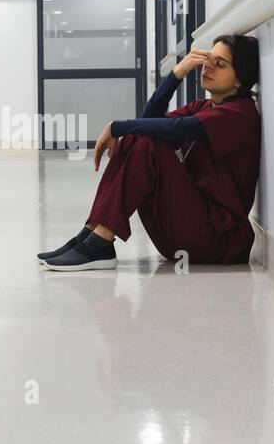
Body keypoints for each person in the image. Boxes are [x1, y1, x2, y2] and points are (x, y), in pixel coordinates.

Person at [39, 33, 261, 271]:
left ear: (239, 79)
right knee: (139, 136)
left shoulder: (240, 114)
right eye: (208, 59)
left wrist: (116, 126)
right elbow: (148, 121)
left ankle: (100, 242)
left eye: (220, 64)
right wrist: (177, 74)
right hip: (187, 232)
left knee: (149, 143)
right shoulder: (204, 106)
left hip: (217, 241)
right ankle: (92, 233)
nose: (207, 67)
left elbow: (172, 129)